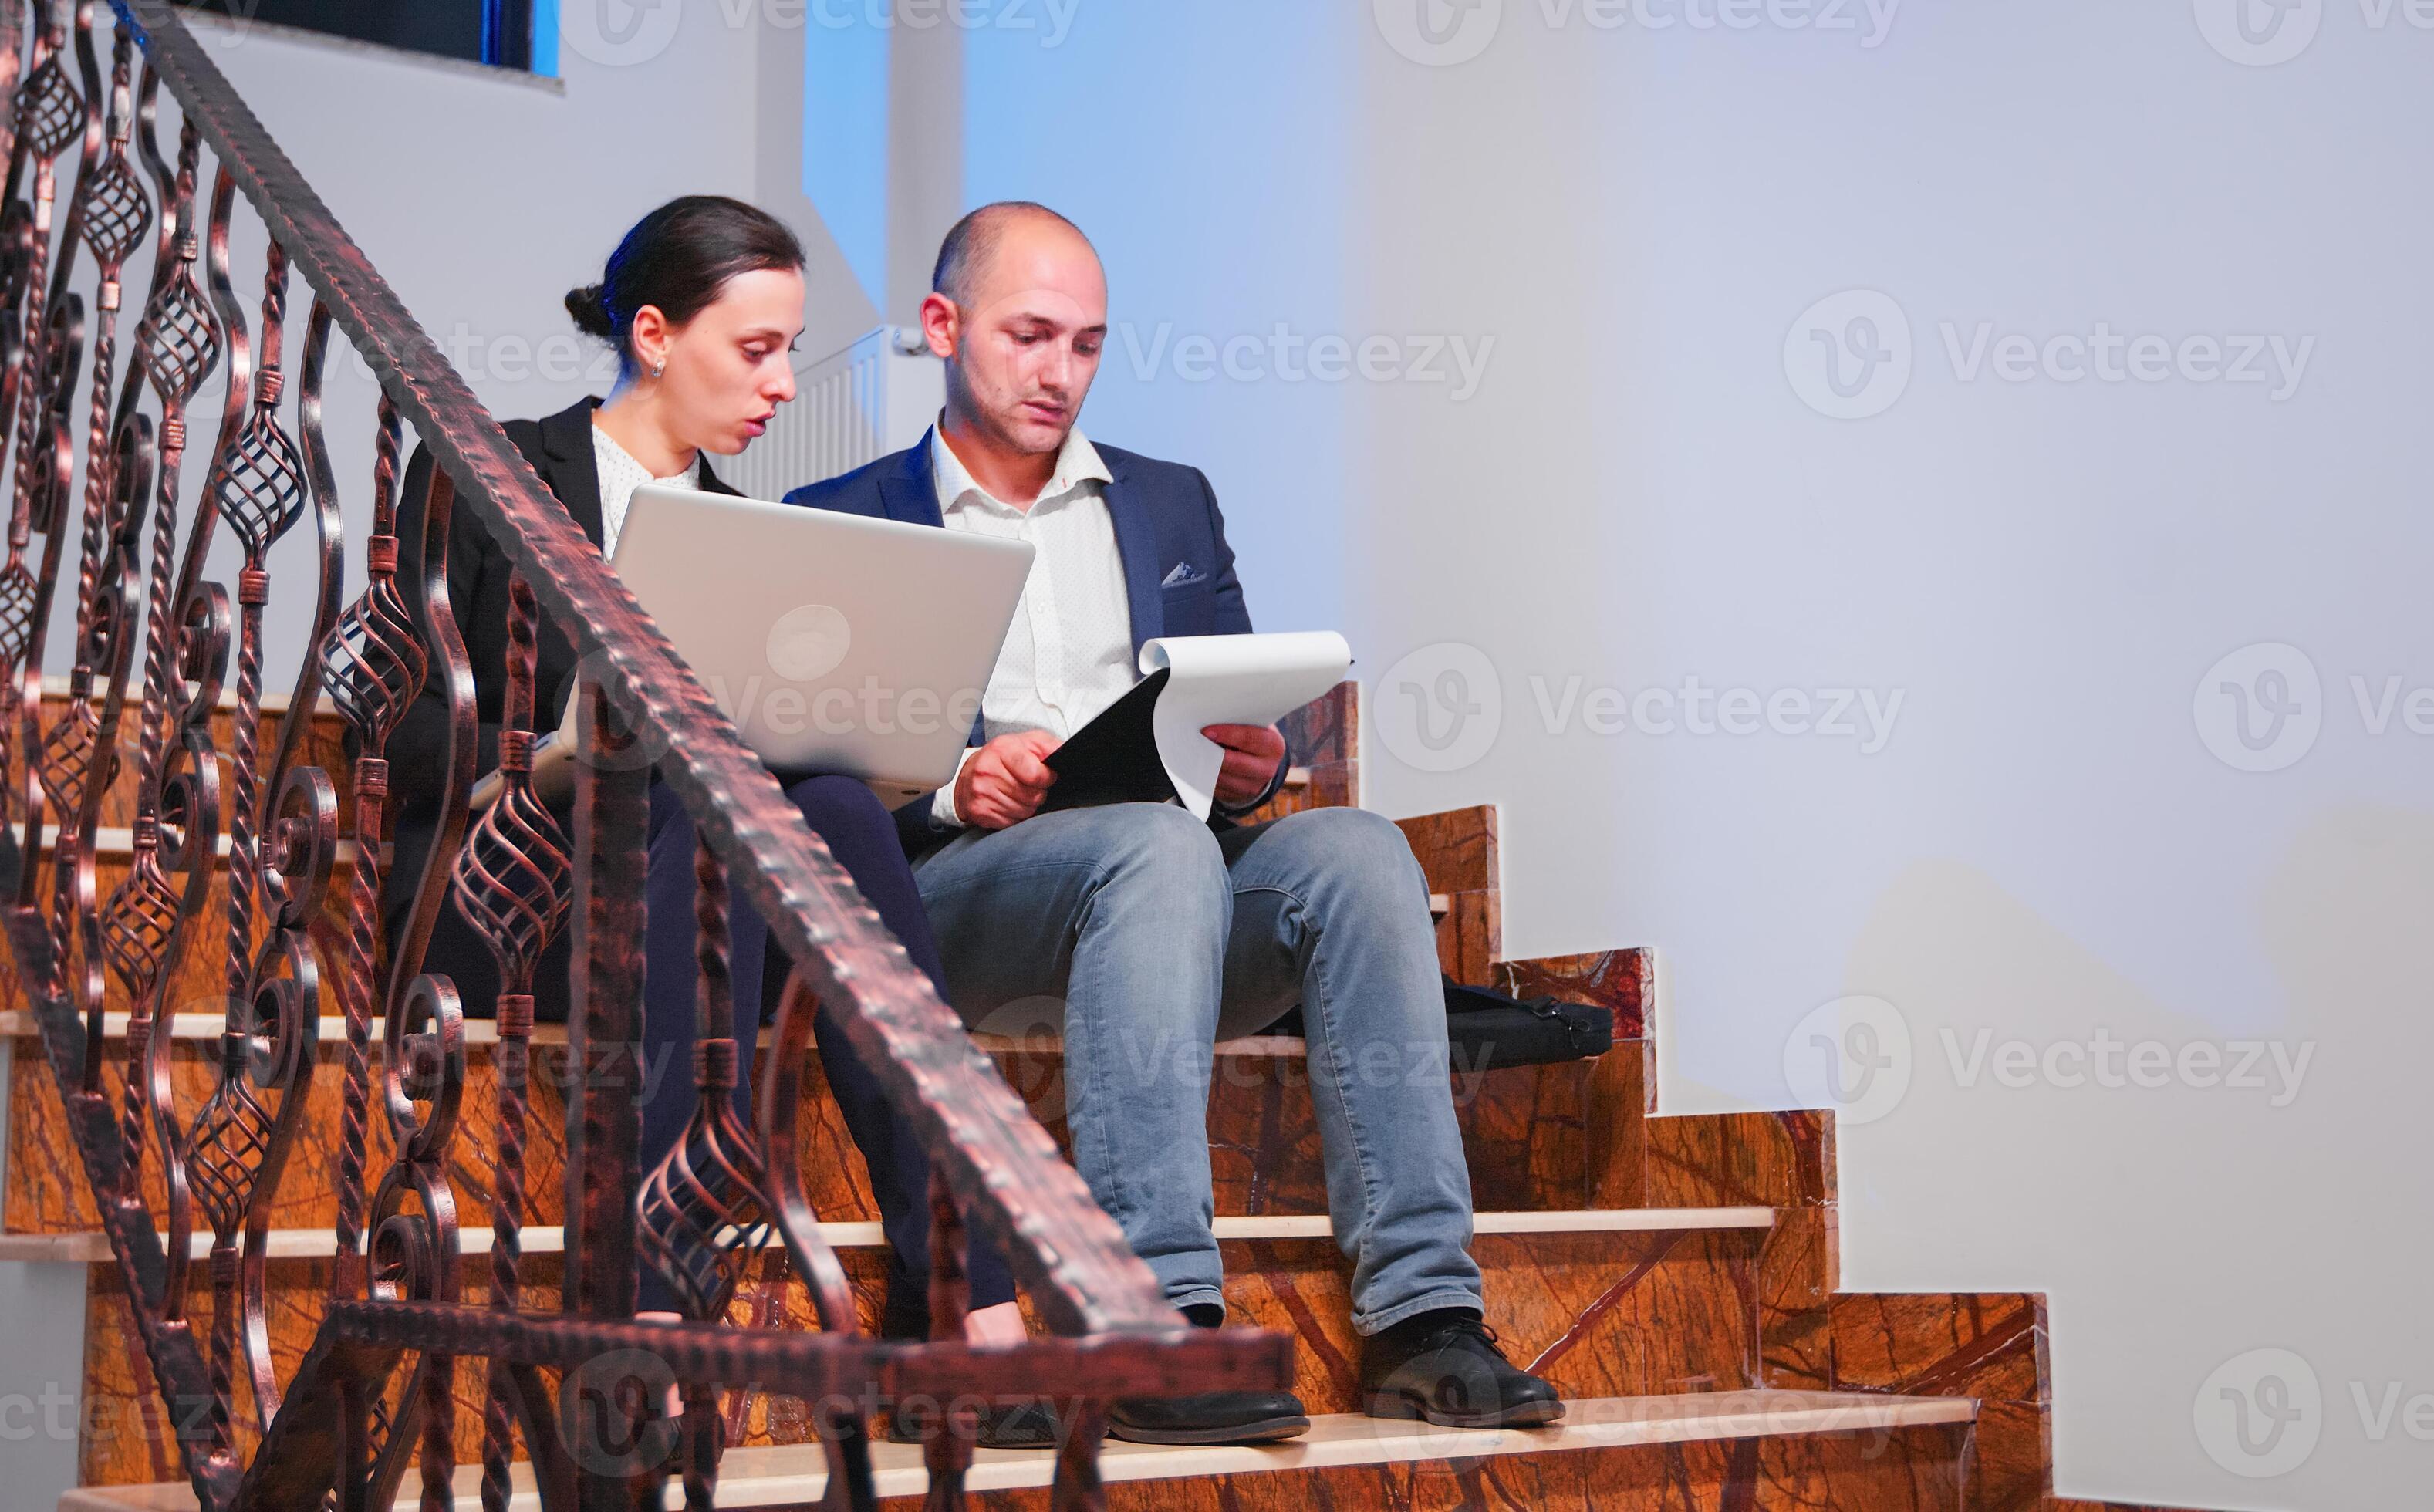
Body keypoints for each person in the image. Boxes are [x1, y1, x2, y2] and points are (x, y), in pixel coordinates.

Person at [787, 202, 1565, 1445]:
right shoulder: (841, 511)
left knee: (1360, 852)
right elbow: (800, 772)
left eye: (1087, 344)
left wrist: (1255, 770)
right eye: (1031, 335)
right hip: (952, 898)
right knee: (1153, 850)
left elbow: (1224, 713)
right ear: (941, 326)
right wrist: (949, 786)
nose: (1060, 373)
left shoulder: (1171, 502)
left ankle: (1425, 1323)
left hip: (1166, 890)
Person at [381, 196, 1045, 1443]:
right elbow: (396, 730)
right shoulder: (490, 471)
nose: (786, 383)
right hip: (498, 880)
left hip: (687, 889)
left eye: (792, 348)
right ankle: (657, 1309)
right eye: (757, 350)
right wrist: (566, 745)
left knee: (839, 798)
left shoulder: (757, 536)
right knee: (684, 781)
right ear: (651, 334)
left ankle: (964, 1287)